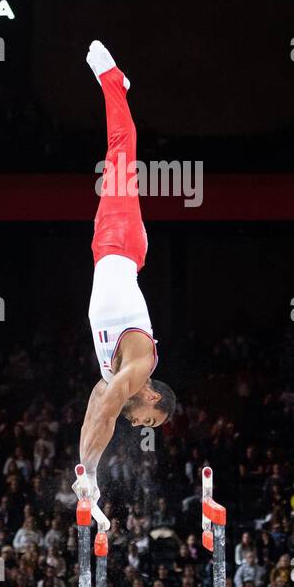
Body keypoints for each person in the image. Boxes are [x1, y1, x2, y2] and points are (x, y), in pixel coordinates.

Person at [72, 42, 177, 513]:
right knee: (121, 151)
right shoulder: (139, 368)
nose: (142, 427)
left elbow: (96, 409)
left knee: (119, 154)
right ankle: (114, 81)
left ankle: (116, 86)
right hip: (122, 242)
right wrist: (93, 471)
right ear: (152, 396)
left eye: (145, 429)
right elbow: (112, 409)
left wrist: (84, 478)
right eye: (150, 421)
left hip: (105, 250)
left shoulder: (114, 379)